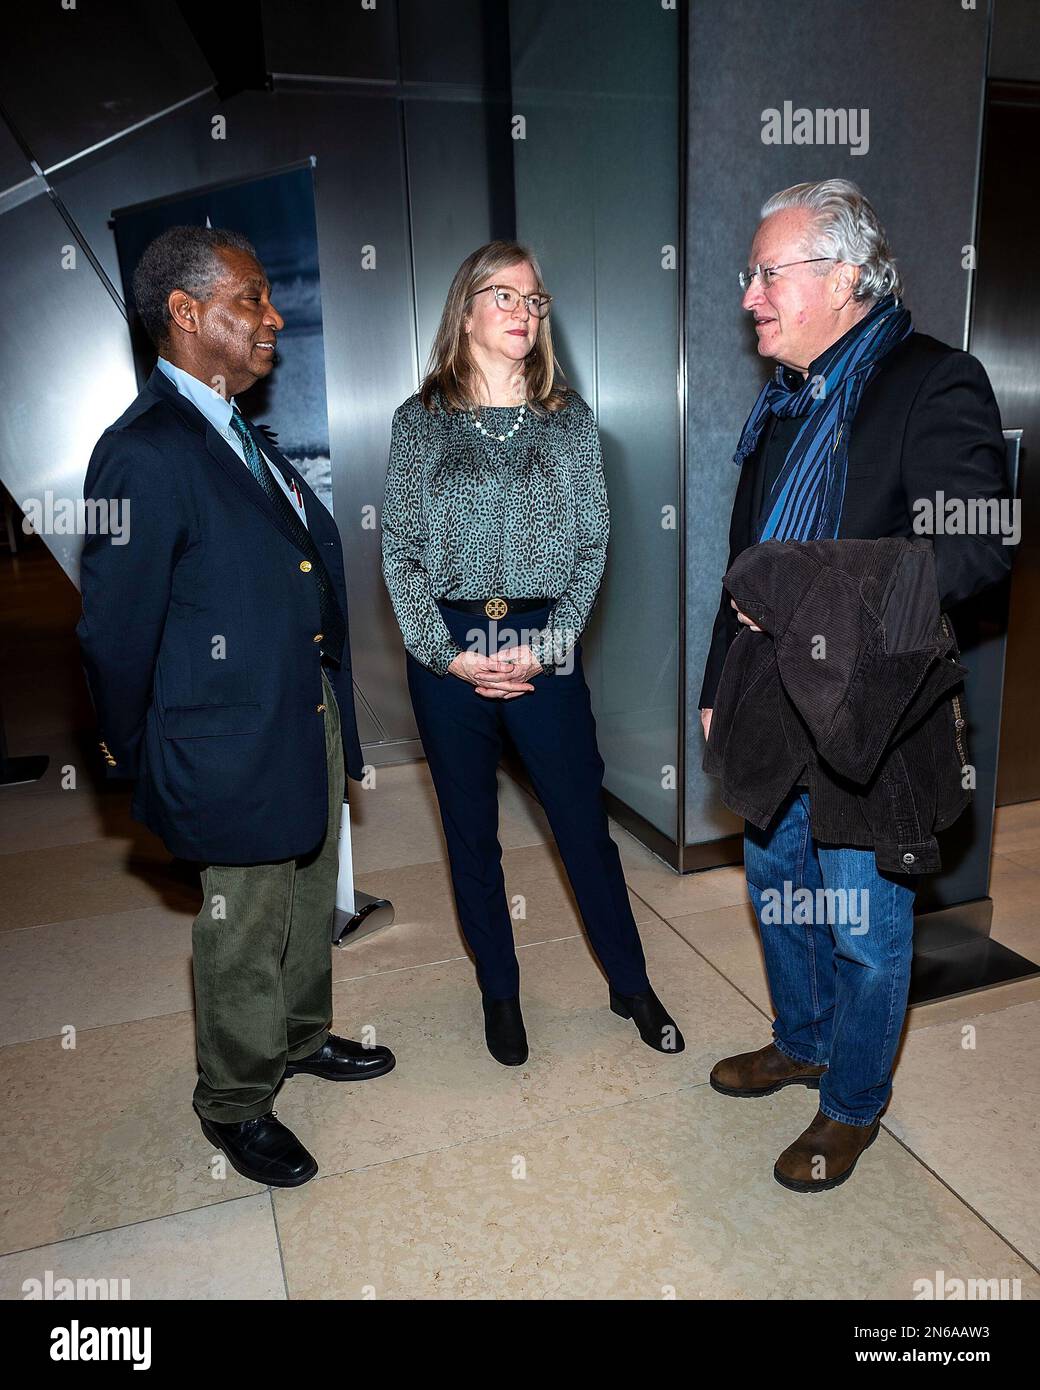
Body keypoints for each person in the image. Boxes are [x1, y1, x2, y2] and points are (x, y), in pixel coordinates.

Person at [700, 180, 1012, 1191]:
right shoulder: (783, 400)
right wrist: (716, 677)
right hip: (765, 697)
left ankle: (851, 1104)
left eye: (765, 272)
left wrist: (822, 598)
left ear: (839, 277)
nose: (748, 294)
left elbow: (974, 546)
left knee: (862, 927)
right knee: (775, 888)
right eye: (749, 274)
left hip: (871, 708)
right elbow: (746, 558)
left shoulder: (933, 379)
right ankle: (801, 1039)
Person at [76, 225, 395, 1188]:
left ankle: (299, 1037)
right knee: (243, 922)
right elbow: (113, 631)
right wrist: (142, 754)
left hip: (298, 712)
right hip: (225, 738)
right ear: (185, 314)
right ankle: (235, 1100)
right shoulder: (143, 453)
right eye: (251, 299)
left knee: (304, 890)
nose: (273, 316)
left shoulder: (233, 430)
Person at [381, 239, 684, 1066]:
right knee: (471, 833)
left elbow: (593, 546)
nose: (524, 312)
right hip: (448, 646)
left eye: (534, 299)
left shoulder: (570, 420)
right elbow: (400, 552)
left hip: (544, 642)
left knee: (584, 826)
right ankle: (500, 993)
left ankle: (631, 982)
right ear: (467, 311)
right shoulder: (420, 422)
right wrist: (448, 655)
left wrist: (546, 648)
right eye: (505, 296)